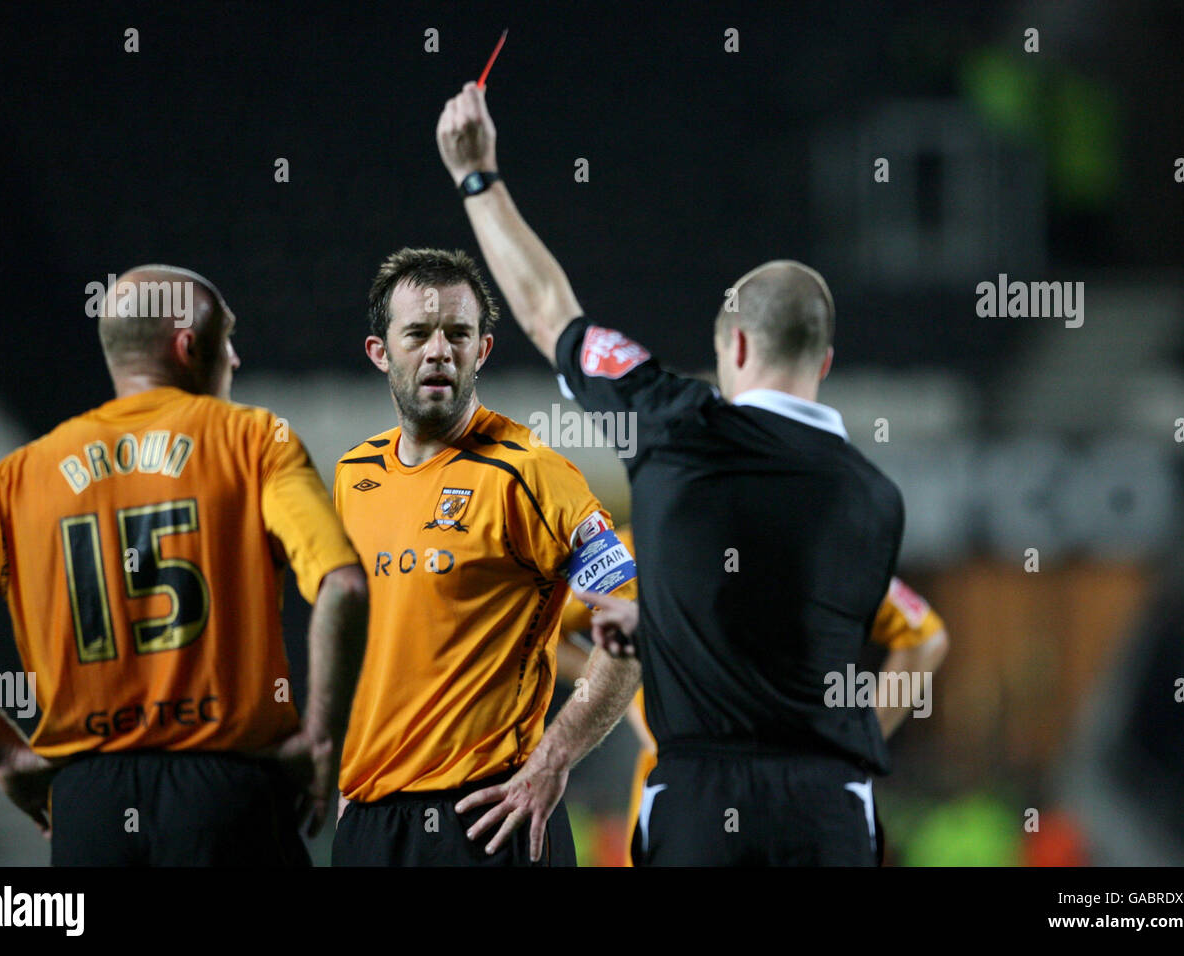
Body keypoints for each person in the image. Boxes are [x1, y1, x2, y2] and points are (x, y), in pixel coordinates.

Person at [438, 82, 906, 865]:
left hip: (700, 803)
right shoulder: (877, 499)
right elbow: (779, 627)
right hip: (831, 806)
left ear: (738, 349)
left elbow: (547, 309)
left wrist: (477, 176)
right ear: (823, 362)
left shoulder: (675, 421)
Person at [0, 265, 368, 866]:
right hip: (227, 798)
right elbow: (343, 586)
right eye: (227, 339)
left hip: (88, 810)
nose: (236, 359)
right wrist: (321, 739)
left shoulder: (19, 477)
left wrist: (3, 753)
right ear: (189, 345)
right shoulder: (253, 440)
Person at [330, 248, 640, 866]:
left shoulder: (530, 475)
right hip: (369, 826)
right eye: (417, 333)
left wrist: (554, 759)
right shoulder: (352, 475)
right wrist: (348, 781)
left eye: (458, 334)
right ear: (380, 352)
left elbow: (631, 622)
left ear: (482, 351)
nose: (439, 350)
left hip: (488, 821)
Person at [556, 543, 949, 865]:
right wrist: (621, 694)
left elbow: (924, 639)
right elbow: (924, 638)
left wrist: (861, 743)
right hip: (747, 807)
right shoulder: (818, 547)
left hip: (706, 809)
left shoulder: (816, 549)